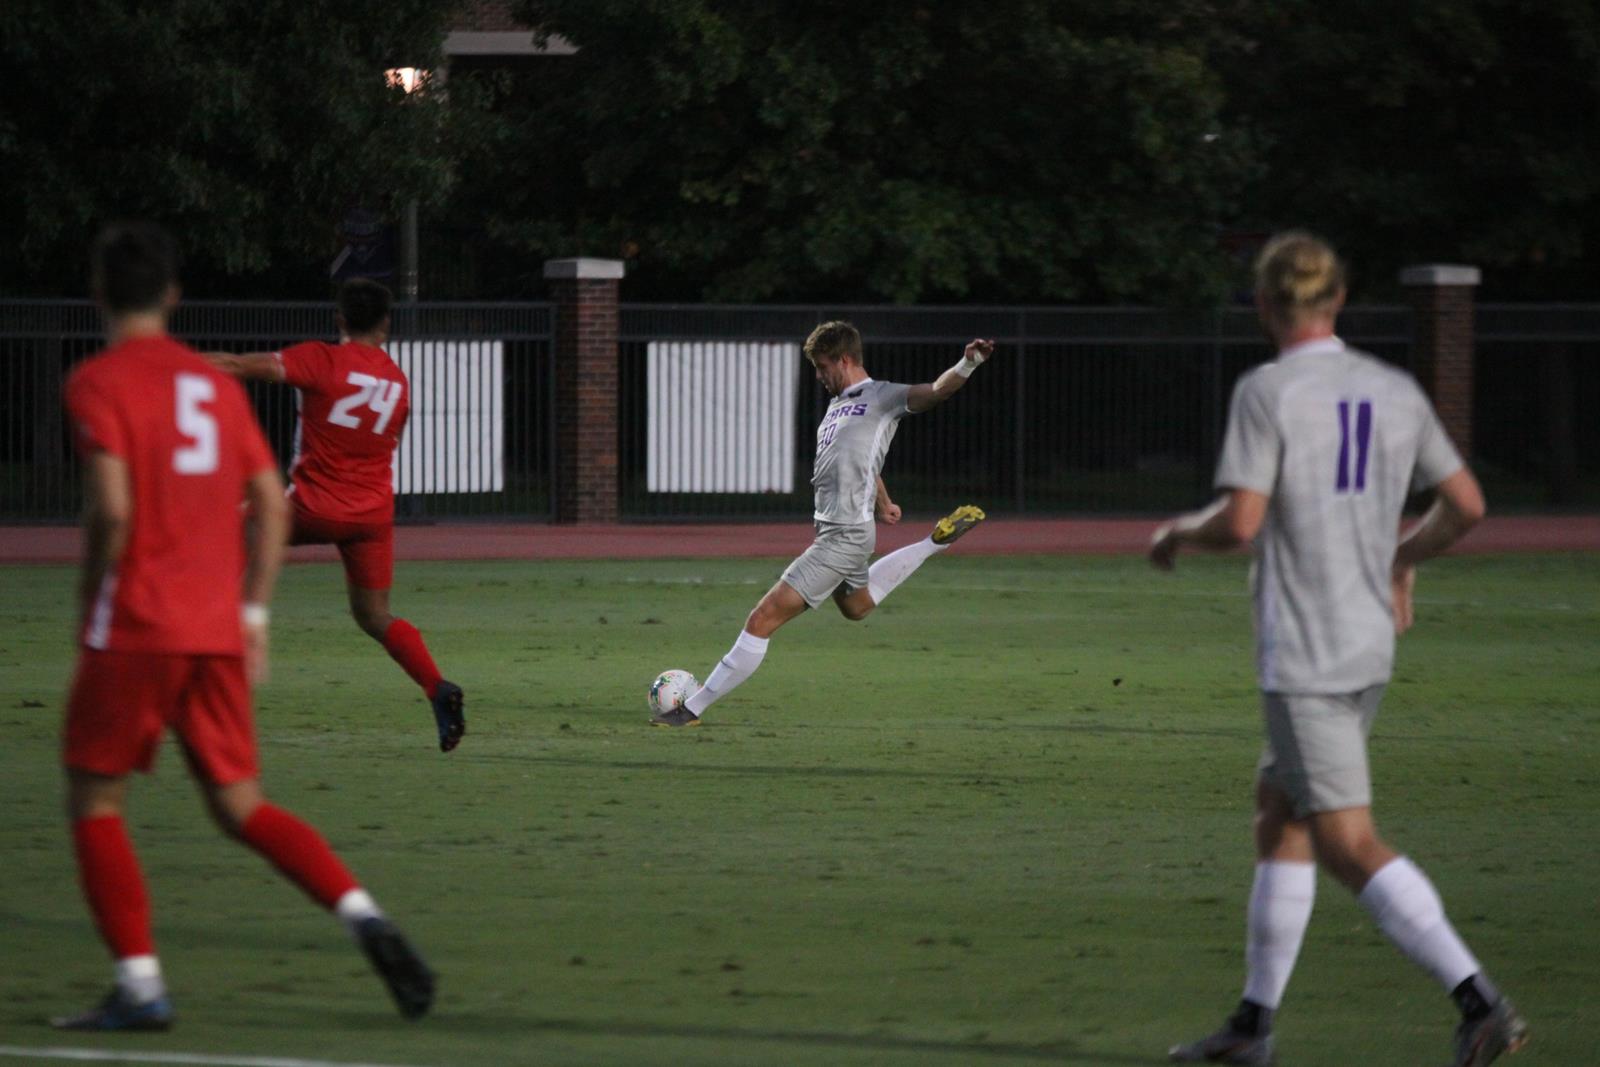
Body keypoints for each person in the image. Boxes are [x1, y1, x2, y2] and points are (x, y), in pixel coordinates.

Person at [1150, 232, 1526, 1066]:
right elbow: (1466, 503)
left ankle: (1480, 1001)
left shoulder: (1269, 390)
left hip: (1308, 651)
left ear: (1263, 305)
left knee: (1347, 841)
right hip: (1367, 641)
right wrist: (1401, 557)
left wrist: (1177, 531)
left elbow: (1241, 520)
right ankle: (1253, 1025)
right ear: (1339, 300)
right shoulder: (1392, 386)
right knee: (1277, 809)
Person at [55, 223, 434, 1030]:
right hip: (220, 624)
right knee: (242, 805)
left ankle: (140, 982)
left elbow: (113, 510)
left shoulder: (99, 380)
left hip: (136, 626)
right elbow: (266, 502)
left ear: (98, 295)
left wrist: (91, 596)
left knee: (95, 801)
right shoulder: (219, 391)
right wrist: (255, 611)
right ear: (172, 296)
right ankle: (363, 912)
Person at [651, 320, 992, 727]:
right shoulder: (837, 405)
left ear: (844, 360)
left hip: (843, 537)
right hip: (842, 530)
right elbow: (862, 455)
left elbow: (936, 391)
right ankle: (934, 543)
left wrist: (967, 364)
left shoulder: (883, 397)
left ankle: (691, 709)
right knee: (857, 607)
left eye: (822, 366)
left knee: (761, 619)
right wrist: (884, 500)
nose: (818, 375)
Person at [205, 279, 464, 753]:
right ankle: (437, 687)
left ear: (340, 319)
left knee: (224, 540)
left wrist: (167, 365)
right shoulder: (398, 381)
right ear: (386, 324)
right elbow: (390, 440)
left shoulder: (321, 360)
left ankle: (214, 678)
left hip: (309, 506)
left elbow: (239, 366)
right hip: (370, 517)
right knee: (374, 615)